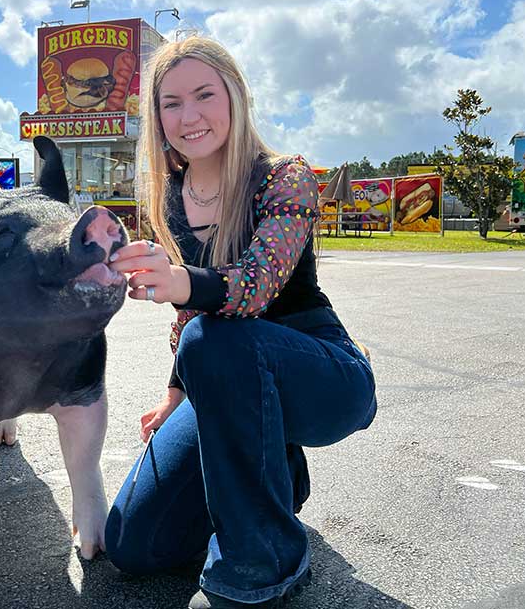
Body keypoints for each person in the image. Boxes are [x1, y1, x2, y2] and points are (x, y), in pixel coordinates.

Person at [103, 37, 377, 608]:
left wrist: (178, 282)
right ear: (156, 118)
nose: (189, 115)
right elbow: (188, 323)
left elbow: (254, 289)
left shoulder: (285, 176)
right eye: (171, 103)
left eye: (205, 94)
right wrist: (176, 394)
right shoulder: (172, 195)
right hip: (226, 380)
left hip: (321, 374)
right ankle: (272, 478)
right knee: (132, 545)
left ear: (236, 96)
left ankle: (264, 560)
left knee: (217, 335)